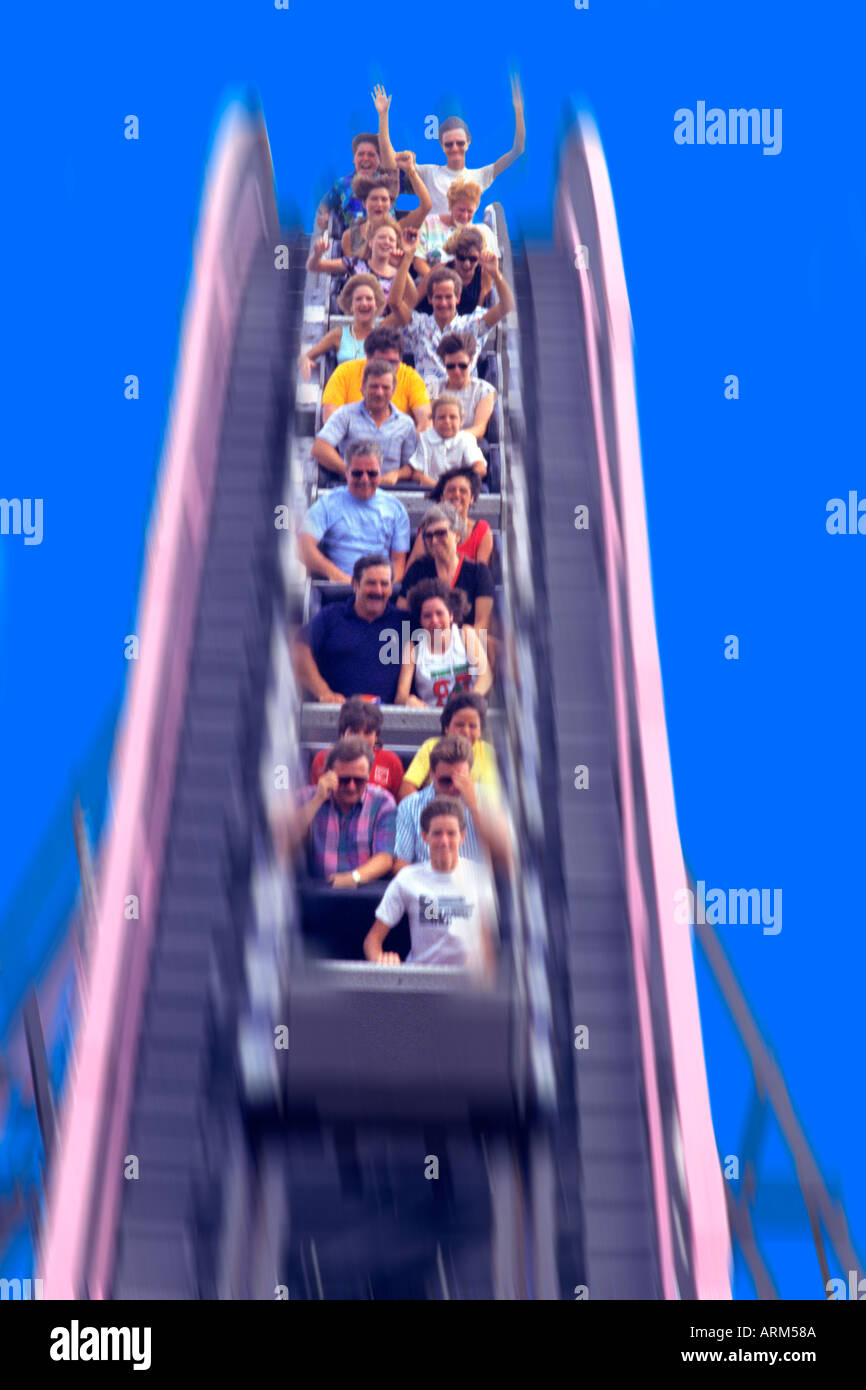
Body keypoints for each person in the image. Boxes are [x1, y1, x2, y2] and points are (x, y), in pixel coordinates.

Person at [364, 797, 496, 975]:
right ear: (424, 836)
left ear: (462, 836)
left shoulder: (481, 875)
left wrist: (482, 961)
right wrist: (382, 961)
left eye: (451, 833)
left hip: (467, 984)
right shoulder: (407, 879)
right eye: (437, 833)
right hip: (421, 981)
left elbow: (492, 940)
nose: (444, 841)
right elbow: (372, 940)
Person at [375, 77, 526, 217]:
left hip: (466, 241)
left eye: (460, 143)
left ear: (468, 142)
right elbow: (390, 163)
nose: (455, 148)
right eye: (449, 144)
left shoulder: (479, 176)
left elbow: (517, 150)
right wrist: (383, 116)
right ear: (441, 145)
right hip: (435, 239)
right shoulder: (429, 173)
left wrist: (519, 112)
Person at [273, 736, 395, 888]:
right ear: (328, 774)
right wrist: (317, 800)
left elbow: (385, 857)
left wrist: (354, 877)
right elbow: (282, 843)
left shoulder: (383, 802)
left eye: (358, 780)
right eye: (344, 780)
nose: (351, 787)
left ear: (369, 775)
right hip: (316, 893)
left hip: (363, 891)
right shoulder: (306, 798)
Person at [387, 251, 515, 387]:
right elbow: (395, 303)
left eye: (448, 297)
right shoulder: (418, 325)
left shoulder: (472, 324)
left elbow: (506, 306)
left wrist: (495, 274)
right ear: (430, 299)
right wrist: (404, 264)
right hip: (428, 400)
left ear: (457, 298)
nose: (443, 303)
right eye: (438, 297)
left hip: (462, 400)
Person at [293, 553, 406, 704]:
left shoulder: (404, 622)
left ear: (391, 588)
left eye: (384, 584)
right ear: (355, 584)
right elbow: (299, 649)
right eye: (371, 583)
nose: (378, 591)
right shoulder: (331, 616)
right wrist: (324, 692)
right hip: (338, 716)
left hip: (392, 719)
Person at [392, 736, 511, 872]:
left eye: (459, 780)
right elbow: (401, 863)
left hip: (476, 887)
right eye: (446, 781)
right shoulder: (410, 806)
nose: (453, 788)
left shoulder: (489, 797)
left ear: (469, 773)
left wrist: (474, 807)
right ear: (432, 774)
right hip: (429, 887)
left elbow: (505, 855)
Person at [298, 442, 410, 583]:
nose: (364, 479)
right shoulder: (327, 504)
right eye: (357, 473)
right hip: (340, 589)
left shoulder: (396, 509)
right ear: (346, 472)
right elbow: (303, 546)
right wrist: (339, 576)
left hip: (381, 591)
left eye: (372, 473)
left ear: (380, 472)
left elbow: (399, 564)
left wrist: (382, 587)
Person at [313, 360, 418, 481]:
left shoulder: (406, 423)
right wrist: (351, 472)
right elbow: (320, 448)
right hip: (352, 489)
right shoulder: (345, 414)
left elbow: (412, 467)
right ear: (362, 388)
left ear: (393, 391)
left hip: (389, 492)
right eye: (374, 386)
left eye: (385, 387)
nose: (379, 392)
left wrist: (397, 474)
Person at [395, 578, 491, 709]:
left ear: (451, 615)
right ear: (420, 620)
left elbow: (485, 676)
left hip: (469, 715)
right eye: (427, 616)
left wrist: (468, 703)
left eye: (439, 613)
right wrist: (409, 701)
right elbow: (401, 696)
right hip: (432, 720)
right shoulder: (413, 648)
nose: (434, 620)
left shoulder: (465, 634)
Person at [397, 504, 494, 634]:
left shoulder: (479, 573)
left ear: (457, 535)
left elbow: (482, 625)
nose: (435, 540)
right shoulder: (416, 570)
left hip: (467, 646)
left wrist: (453, 646)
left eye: (441, 533)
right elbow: (402, 617)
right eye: (429, 536)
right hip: (424, 645)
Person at [321, 326, 431, 431]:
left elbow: (426, 423)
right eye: (382, 361)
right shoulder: (344, 371)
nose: (388, 367)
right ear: (368, 357)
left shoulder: (411, 377)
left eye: (393, 362)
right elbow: (330, 419)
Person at [398, 691, 500, 801]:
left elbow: (494, 799)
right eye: (459, 725)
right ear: (446, 727)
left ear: (481, 731)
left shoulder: (489, 752)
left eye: (472, 726)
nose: (466, 731)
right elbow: (407, 788)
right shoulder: (431, 747)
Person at [340, 152, 431, 258]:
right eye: (374, 199)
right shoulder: (349, 236)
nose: (379, 204)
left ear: (390, 204)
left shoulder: (400, 229)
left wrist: (410, 171)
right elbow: (349, 269)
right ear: (364, 203)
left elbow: (426, 206)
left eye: (384, 200)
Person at [404, 466, 494, 571]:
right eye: (451, 490)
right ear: (442, 497)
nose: (456, 495)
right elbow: (410, 571)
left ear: (472, 499)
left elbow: (481, 574)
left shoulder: (481, 531)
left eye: (463, 491)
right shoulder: (429, 528)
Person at [309, 698, 403, 797]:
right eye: (354, 732)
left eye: (367, 733)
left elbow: (398, 806)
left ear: (376, 737)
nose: (360, 738)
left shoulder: (391, 762)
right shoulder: (323, 759)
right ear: (342, 734)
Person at [300, 275, 385, 381]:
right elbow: (306, 356)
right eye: (358, 299)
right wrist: (305, 362)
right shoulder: (338, 335)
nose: (364, 303)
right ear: (351, 306)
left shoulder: (384, 337)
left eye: (369, 299)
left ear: (376, 304)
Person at [316, 130, 390, 233]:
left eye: (371, 154)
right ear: (354, 159)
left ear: (379, 160)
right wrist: (324, 214)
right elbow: (325, 203)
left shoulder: (388, 182)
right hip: (351, 243)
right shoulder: (342, 184)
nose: (365, 158)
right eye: (361, 154)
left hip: (384, 240)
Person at [406, 395, 486, 486]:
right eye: (441, 417)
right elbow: (417, 473)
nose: (447, 421)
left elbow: (480, 469)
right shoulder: (425, 438)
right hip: (431, 489)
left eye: (452, 417)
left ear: (461, 422)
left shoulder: (467, 439)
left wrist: (459, 482)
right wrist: (433, 484)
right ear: (433, 421)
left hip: (459, 489)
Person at [413, 229, 494, 317]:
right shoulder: (439, 270)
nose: (467, 264)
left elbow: (479, 313)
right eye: (461, 258)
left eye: (472, 259)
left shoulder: (484, 274)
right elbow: (413, 300)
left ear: (480, 256)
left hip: (467, 325)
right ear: (454, 254)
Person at [417, 183, 499, 267]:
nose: (465, 216)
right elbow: (418, 260)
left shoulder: (483, 233)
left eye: (470, 211)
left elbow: (490, 268)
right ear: (451, 206)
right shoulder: (429, 223)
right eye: (461, 210)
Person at [434, 334, 496, 438]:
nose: (457, 371)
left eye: (462, 365)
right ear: (444, 363)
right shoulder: (433, 388)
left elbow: (479, 429)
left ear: (471, 361)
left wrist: (452, 438)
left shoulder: (485, 390)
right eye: (451, 366)